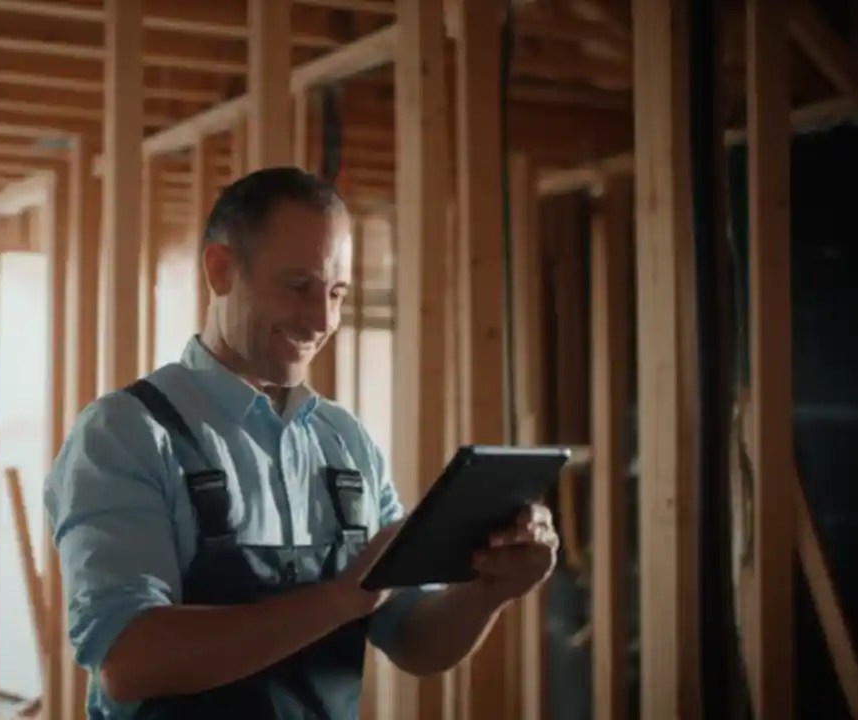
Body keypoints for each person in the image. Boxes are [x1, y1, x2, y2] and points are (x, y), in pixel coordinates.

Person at [44, 167, 559, 719]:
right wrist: (341, 598)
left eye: (337, 293)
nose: (322, 319)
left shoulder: (347, 444)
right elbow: (128, 659)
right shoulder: (127, 433)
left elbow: (413, 641)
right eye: (298, 287)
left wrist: (490, 591)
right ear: (220, 270)